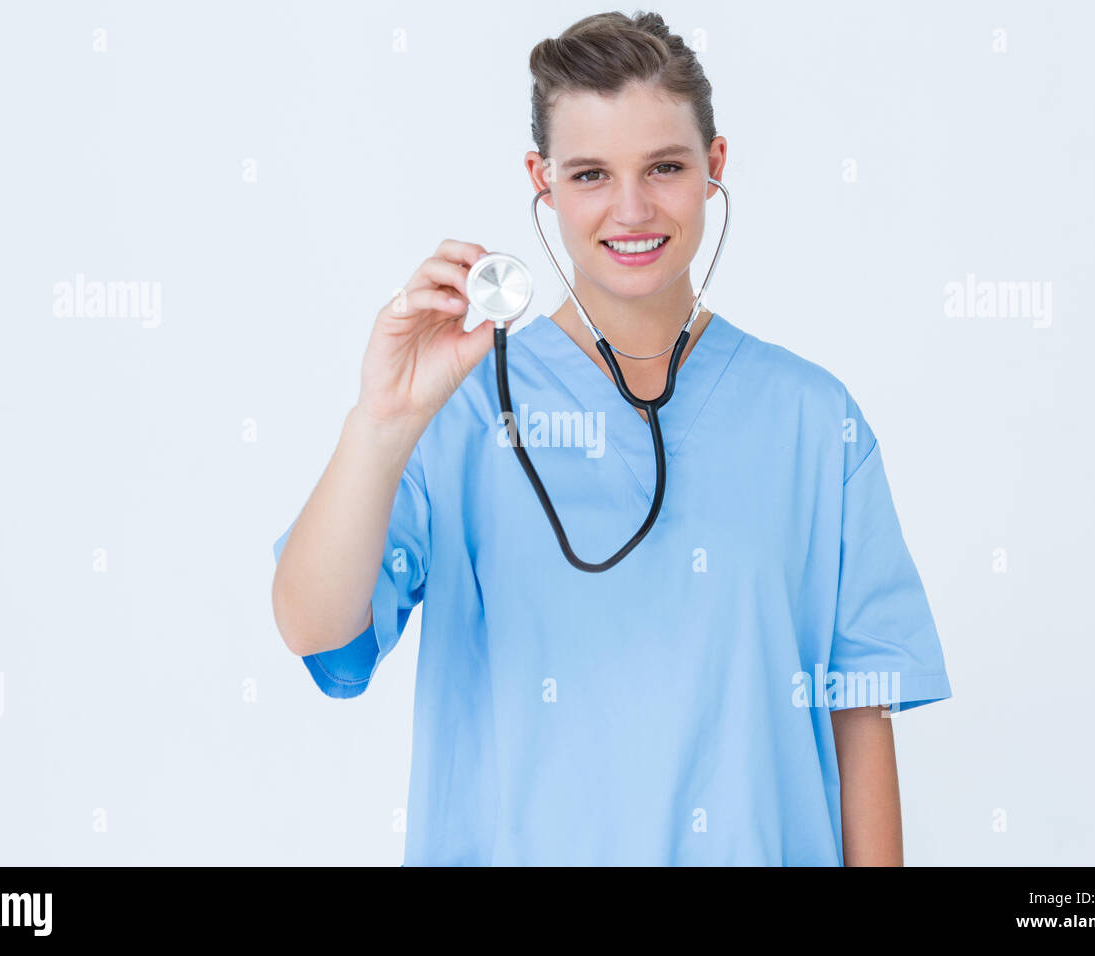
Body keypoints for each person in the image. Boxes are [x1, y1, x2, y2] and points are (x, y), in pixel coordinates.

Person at [270, 10, 951, 866]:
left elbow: (861, 716)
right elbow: (315, 628)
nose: (631, 209)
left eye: (664, 166)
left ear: (715, 167)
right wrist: (382, 422)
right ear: (543, 182)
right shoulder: (468, 409)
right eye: (591, 173)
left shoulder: (816, 422)